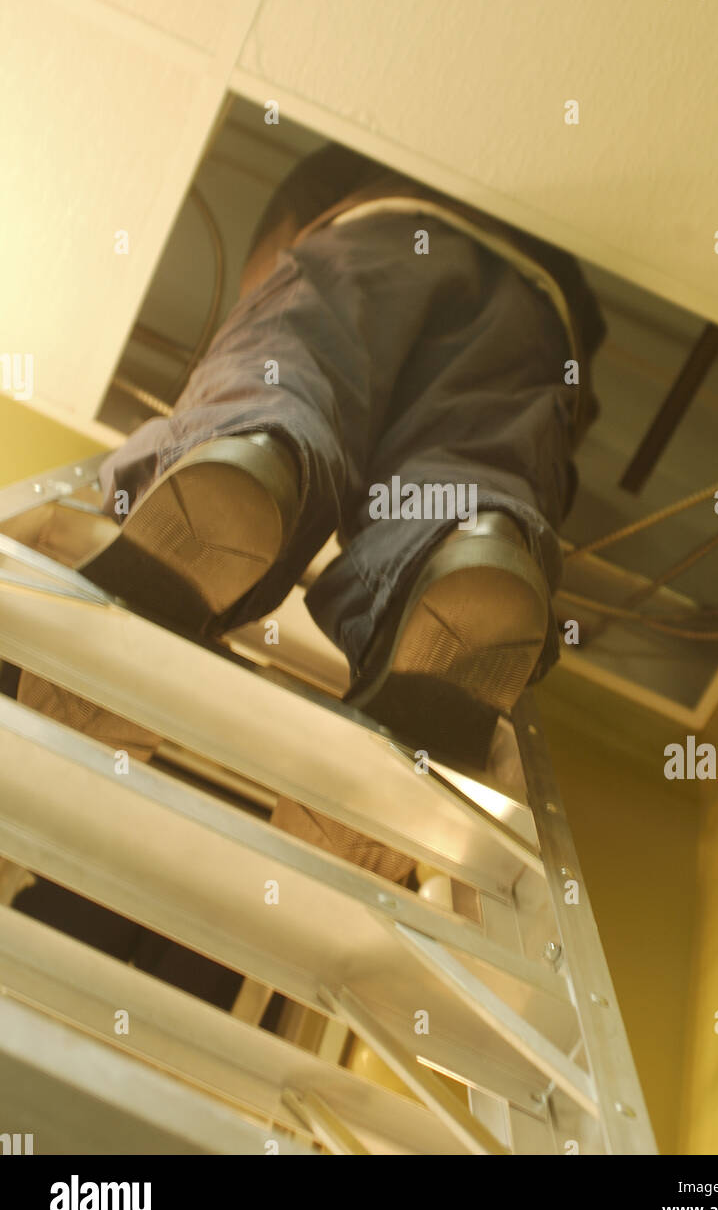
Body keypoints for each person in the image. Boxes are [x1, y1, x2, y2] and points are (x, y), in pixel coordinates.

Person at [20, 142, 606, 783]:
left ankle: (255, 447)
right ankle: (474, 535)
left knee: (286, 373)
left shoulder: (345, 176)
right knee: (473, 462)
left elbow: (283, 247)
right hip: (532, 308)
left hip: (368, 240)